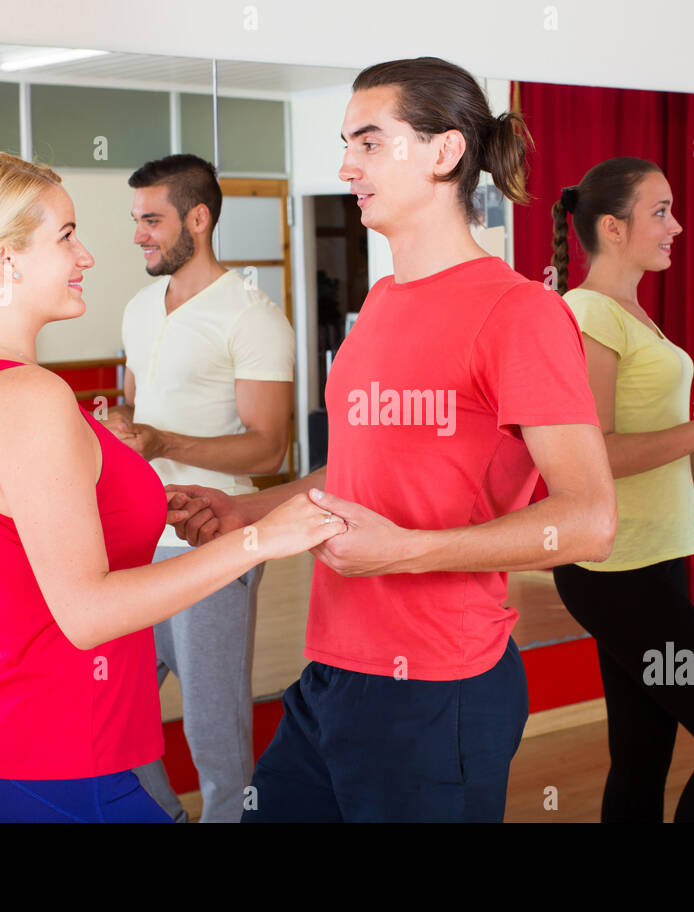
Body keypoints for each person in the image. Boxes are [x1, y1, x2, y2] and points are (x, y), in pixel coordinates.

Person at [173, 56, 617, 823]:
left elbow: (589, 521)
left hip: (438, 688)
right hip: (332, 671)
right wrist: (251, 509)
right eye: (347, 142)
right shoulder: (381, 301)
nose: (346, 164)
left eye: (371, 143)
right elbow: (358, 471)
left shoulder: (522, 314)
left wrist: (406, 550)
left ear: (445, 153)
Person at [0, 150, 344, 823]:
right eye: (65, 237)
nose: (86, 257)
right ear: (3, 262)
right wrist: (260, 538)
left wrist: (115, 512)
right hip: (56, 764)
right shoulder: (31, 395)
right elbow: (86, 614)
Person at [548, 158, 694, 822]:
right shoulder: (588, 313)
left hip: (653, 563)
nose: (676, 226)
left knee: (641, 754)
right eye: (660, 212)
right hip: (616, 572)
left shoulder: (629, 313)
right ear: (612, 227)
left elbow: (652, 450)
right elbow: (596, 456)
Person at [109, 154, 294, 823]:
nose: (138, 235)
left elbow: (270, 444)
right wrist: (125, 434)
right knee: (109, 713)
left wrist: (162, 442)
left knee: (215, 735)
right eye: (135, 220)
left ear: (198, 218)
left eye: (151, 220)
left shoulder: (252, 316)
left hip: (213, 538)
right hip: (135, 537)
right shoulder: (136, 308)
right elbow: (138, 414)